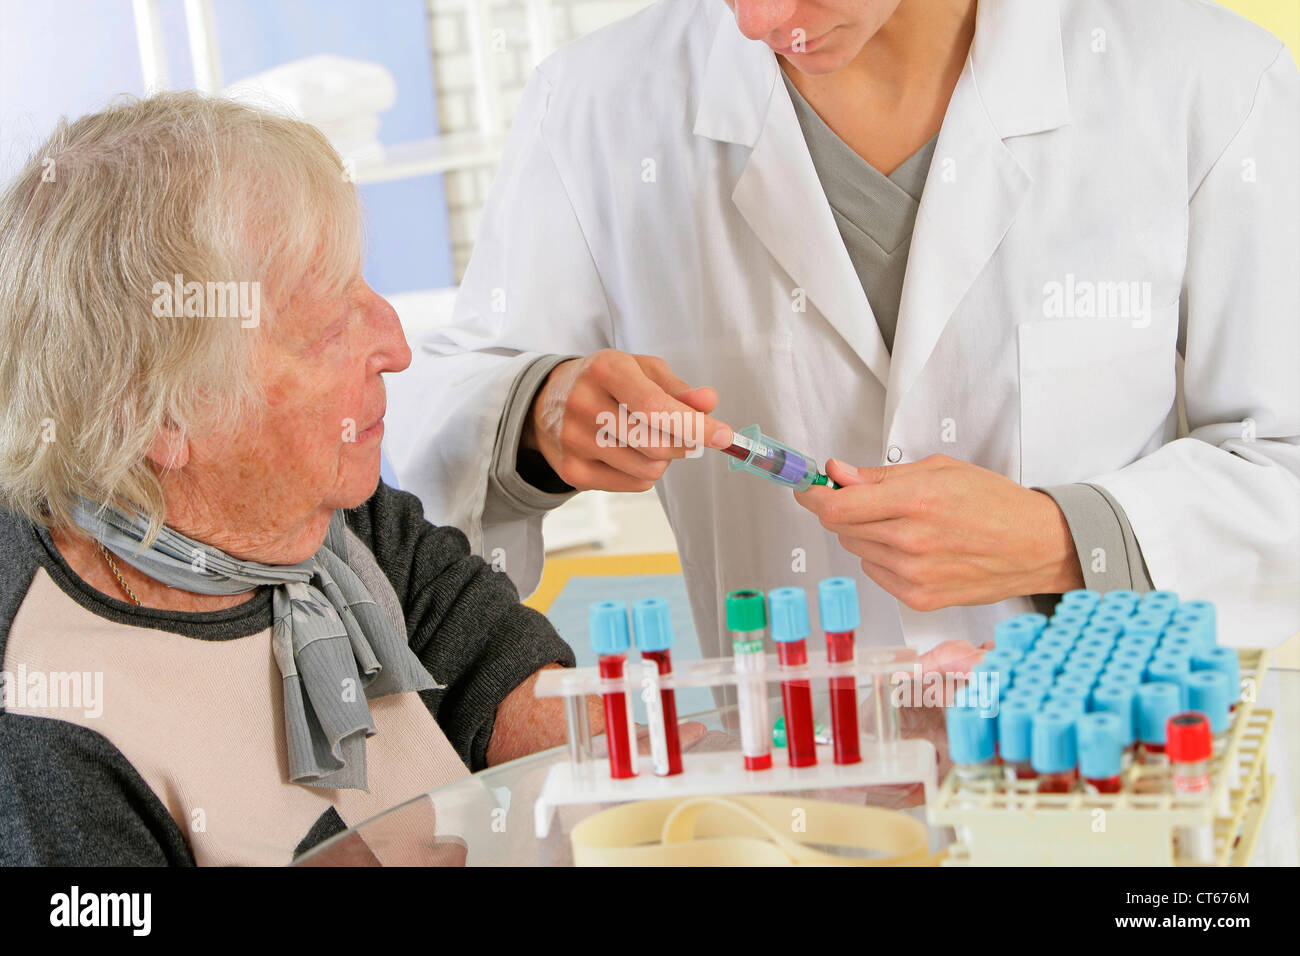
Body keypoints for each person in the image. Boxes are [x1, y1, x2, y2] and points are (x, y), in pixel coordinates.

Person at [385, 0, 1299, 655]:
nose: (754, 20)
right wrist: (542, 417)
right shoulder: (597, 105)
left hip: (1109, 785)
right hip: (793, 791)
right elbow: (429, 434)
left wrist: (1054, 538)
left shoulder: (1209, 81)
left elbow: (1284, 463)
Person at [0, 92, 604, 865]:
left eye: (363, 287)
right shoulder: (47, 715)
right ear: (161, 419)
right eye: (327, 328)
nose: (394, 344)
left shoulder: (339, 524)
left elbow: (538, 713)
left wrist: (687, 765)